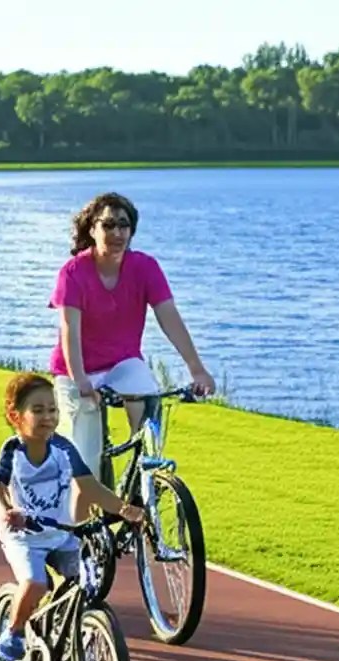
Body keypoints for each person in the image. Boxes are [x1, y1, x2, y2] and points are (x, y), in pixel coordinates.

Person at [48, 191, 215, 493]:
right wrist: (81, 380)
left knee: (148, 399)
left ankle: (141, 490)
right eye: (108, 225)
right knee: (85, 463)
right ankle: (78, 530)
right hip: (77, 369)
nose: (117, 233)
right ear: (92, 229)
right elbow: (69, 330)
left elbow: (169, 318)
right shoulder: (72, 272)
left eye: (123, 225)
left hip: (121, 362)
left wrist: (197, 369)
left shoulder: (145, 267)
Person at [0, 372, 146, 661]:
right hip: (25, 539)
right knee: (36, 583)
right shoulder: (13, 451)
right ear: (15, 416)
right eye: (38, 410)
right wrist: (6, 511)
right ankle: (14, 632)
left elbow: (90, 486)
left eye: (53, 409)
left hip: (61, 535)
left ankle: (75, 633)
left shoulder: (63, 448)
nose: (48, 417)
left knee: (88, 582)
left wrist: (124, 509)